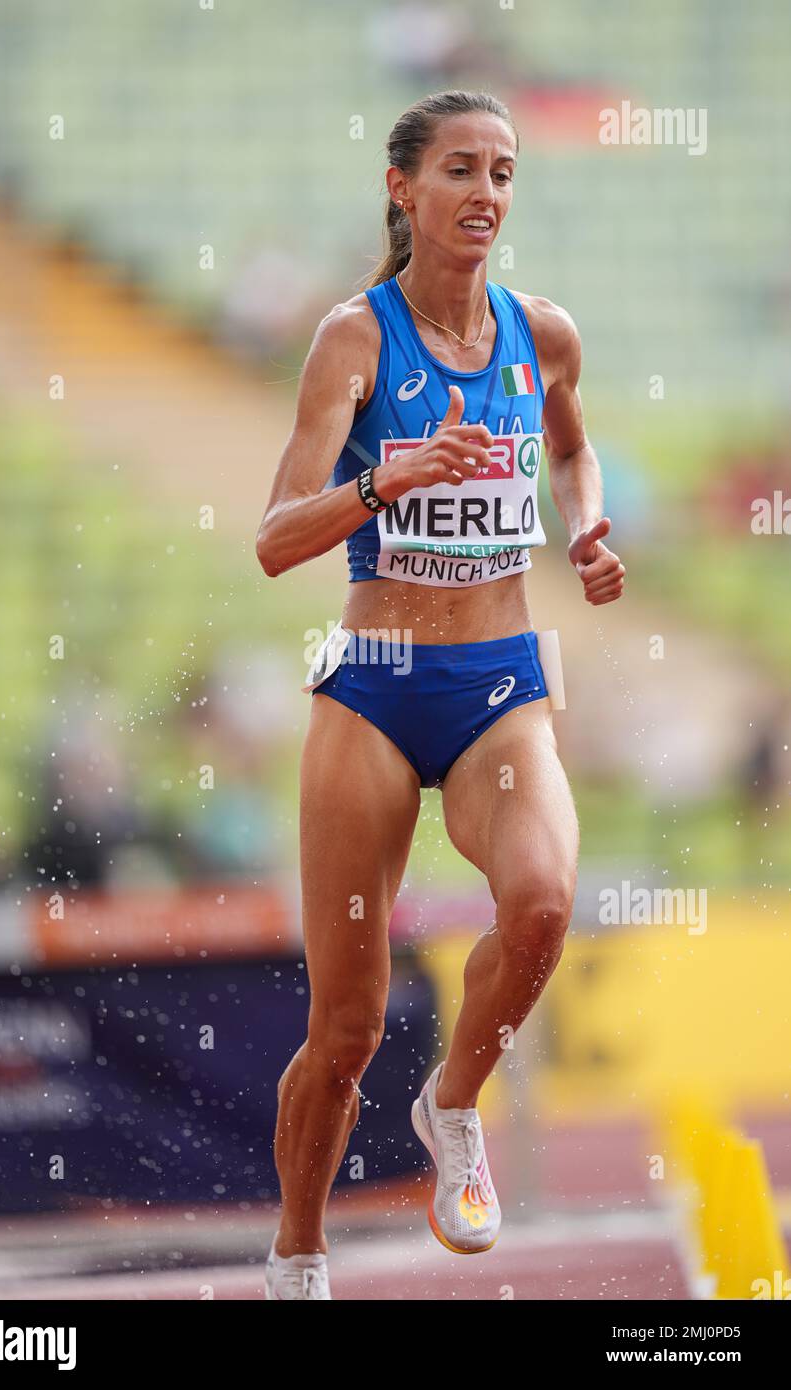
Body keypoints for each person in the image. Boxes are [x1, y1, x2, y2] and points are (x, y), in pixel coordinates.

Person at [255, 89, 625, 1300]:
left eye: (502, 172)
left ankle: (451, 1102)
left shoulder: (544, 334)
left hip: (495, 686)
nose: (484, 192)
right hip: (372, 690)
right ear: (401, 188)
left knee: (541, 904)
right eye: (459, 168)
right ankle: (297, 1254)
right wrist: (386, 480)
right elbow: (272, 538)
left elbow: (569, 445)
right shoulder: (352, 341)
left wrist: (585, 524)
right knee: (344, 1032)